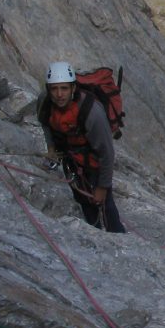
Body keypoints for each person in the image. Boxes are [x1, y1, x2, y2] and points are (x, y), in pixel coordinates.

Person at [39, 61, 126, 233]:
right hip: (71, 158)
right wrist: (51, 148)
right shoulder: (45, 101)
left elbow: (107, 154)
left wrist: (102, 187)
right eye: (54, 89)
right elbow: (46, 124)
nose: (59, 94)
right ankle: (94, 232)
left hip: (93, 162)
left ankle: (118, 237)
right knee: (82, 199)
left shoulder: (92, 112)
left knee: (105, 205)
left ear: (73, 88)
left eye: (64, 88)